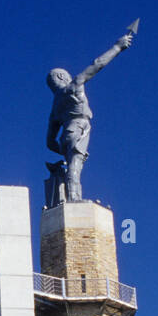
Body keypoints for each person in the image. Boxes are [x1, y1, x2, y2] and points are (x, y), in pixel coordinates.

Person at [46, 28, 134, 202]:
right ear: (61, 77)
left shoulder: (55, 107)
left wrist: (63, 149)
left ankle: (71, 195)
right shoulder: (73, 86)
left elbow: (49, 142)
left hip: (67, 133)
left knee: (73, 163)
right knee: (75, 165)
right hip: (79, 127)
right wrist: (118, 47)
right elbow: (97, 64)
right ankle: (74, 198)